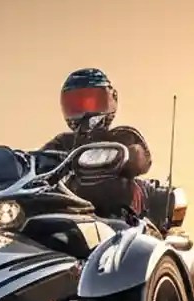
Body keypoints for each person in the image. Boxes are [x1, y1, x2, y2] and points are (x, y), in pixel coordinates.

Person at [42, 68, 155, 218]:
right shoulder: (63, 142)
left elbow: (141, 160)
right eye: (76, 106)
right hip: (73, 213)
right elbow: (40, 160)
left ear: (112, 99)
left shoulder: (124, 136)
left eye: (93, 102)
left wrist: (128, 155)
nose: (85, 112)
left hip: (121, 215)